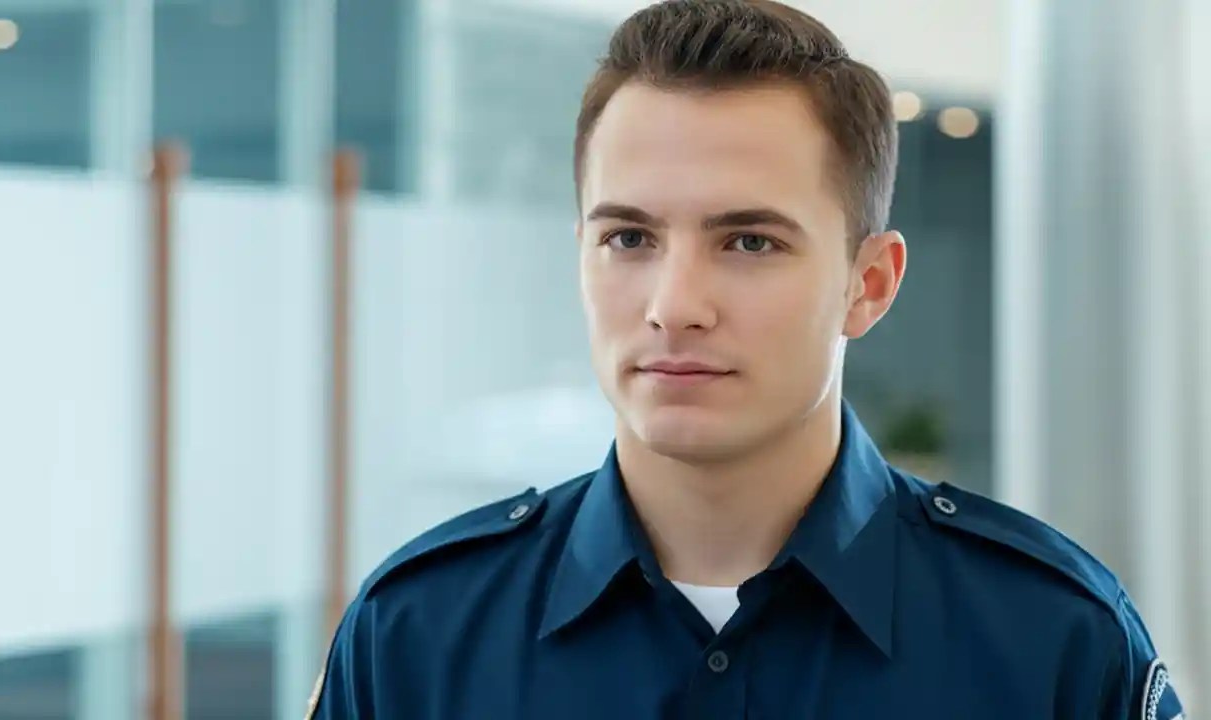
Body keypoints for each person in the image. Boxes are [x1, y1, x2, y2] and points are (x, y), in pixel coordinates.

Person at [308, 1, 1185, 718]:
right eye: (629, 237)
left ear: (868, 283)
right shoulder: (415, 637)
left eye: (751, 242)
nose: (674, 306)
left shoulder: (1055, 643)